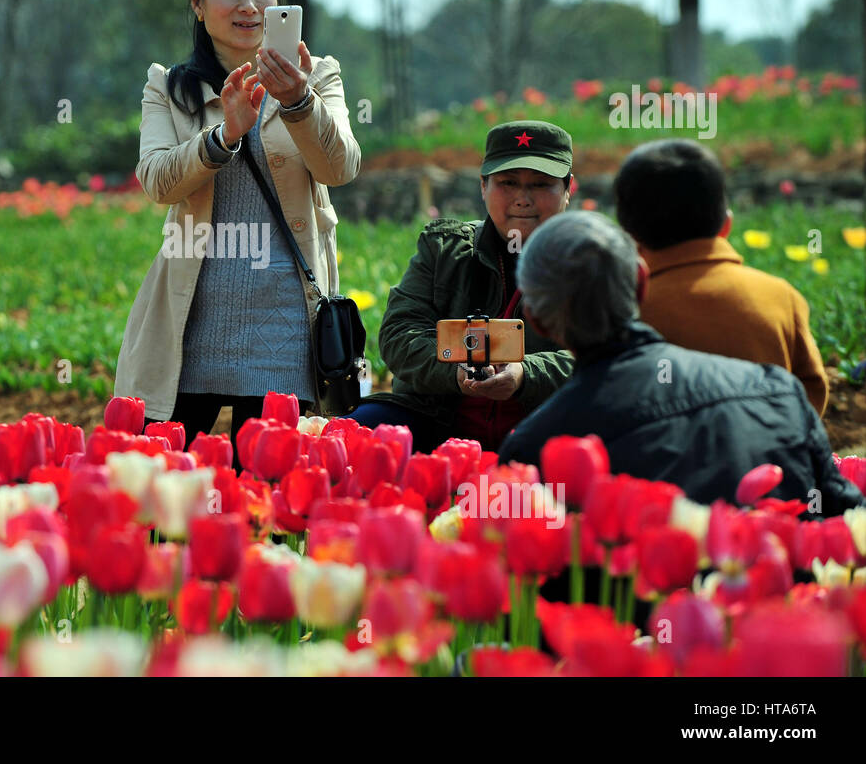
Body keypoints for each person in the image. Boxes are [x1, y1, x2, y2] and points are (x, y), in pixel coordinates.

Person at [114, 0, 361, 447]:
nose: (248, 6)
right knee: (162, 492)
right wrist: (224, 135)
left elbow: (339, 168)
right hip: (188, 324)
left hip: (285, 329)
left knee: (268, 499)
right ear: (198, 5)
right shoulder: (170, 88)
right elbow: (157, 182)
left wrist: (297, 100)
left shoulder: (319, 77)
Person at [497, 212, 863, 515]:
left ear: (536, 319)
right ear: (642, 283)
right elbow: (848, 522)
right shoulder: (776, 391)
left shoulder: (531, 452)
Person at [351, 121, 576, 451]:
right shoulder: (444, 249)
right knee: (361, 428)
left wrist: (526, 374)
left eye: (541, 185)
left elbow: (609, 354)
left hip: (544, 422)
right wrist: (455, 370)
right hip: (439, 419)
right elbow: (399, 335)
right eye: (507, 183)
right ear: (483, 186)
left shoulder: (588, 261)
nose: (523, 199)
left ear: (569, 188)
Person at [614, 139, 828, 415]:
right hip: (772, 453)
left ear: (629, 235)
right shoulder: (781, 296)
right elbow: (811, 390)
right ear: (727, 224)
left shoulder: (626, 309)